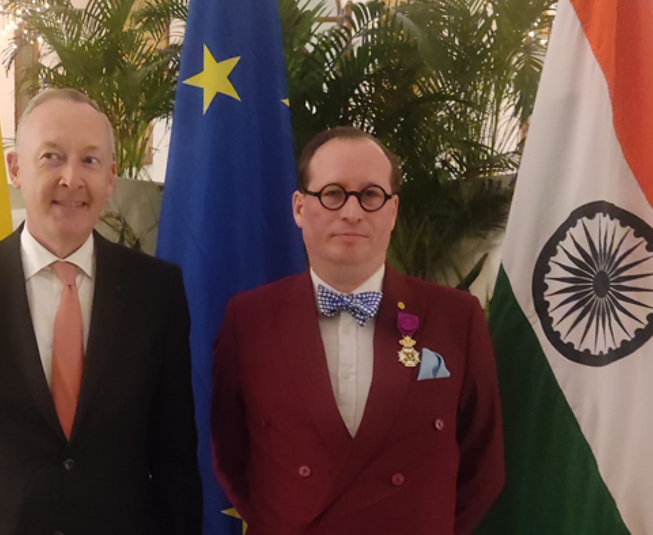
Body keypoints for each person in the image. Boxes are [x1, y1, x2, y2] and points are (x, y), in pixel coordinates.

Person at [0, 88, 202, 535]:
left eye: (90, 161)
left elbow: (175, 459)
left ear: (111, 177)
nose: (72, 179)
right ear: (16, 169)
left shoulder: (157, 292)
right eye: (52, 157)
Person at [211, 127, 504, 535]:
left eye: (370, 195)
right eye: (332, 193)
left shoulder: (456, 318)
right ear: (299, 207)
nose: (351, 212)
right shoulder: (249, 319)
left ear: (393, 210)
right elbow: (230, 455)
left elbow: (483, 464)